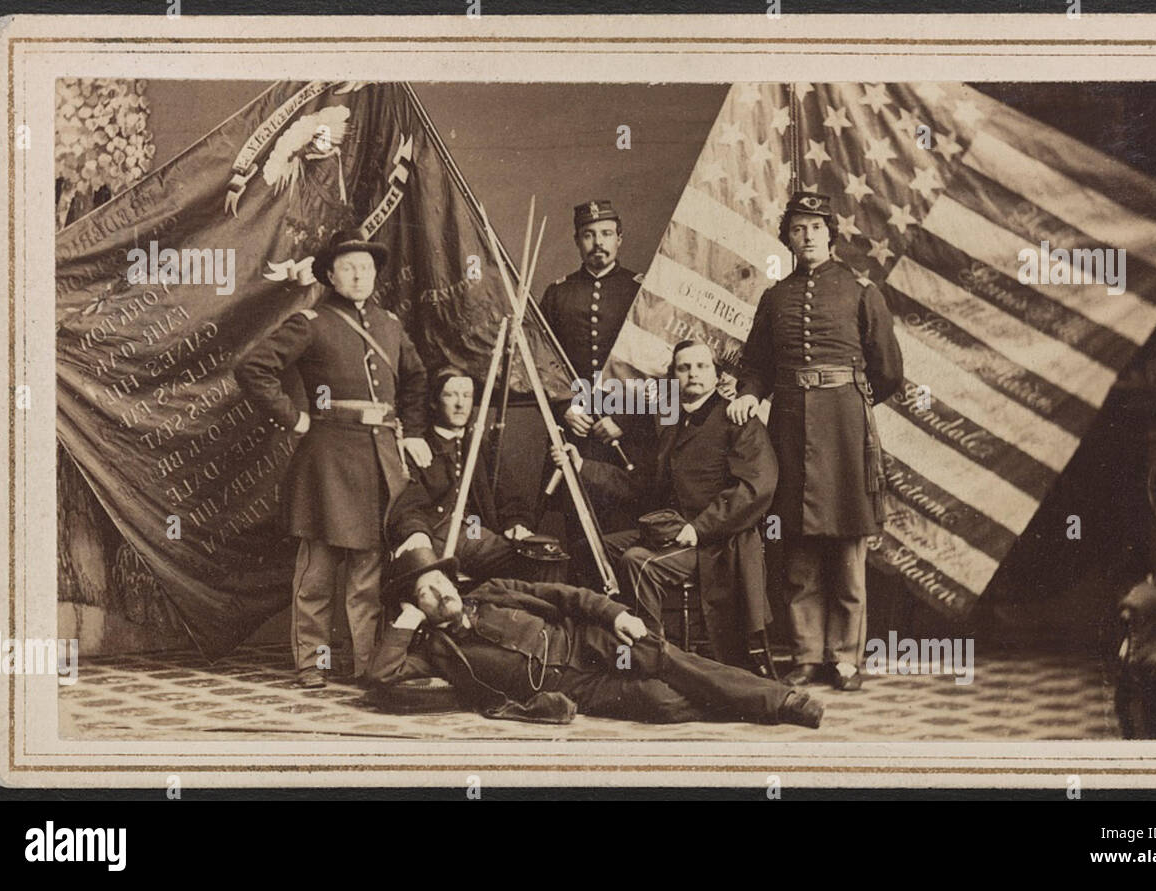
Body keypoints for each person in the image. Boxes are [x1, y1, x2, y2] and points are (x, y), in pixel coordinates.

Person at [235, 229, 430, 689]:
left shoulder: (390, 324)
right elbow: (253, 368)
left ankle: (365, 664)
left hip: (379, 458)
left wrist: (415, 433)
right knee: (318, 573)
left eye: (366, 266)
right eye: (348, 266)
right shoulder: (311, 322)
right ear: (330, 275)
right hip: (325, 459)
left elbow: (418, 380)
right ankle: (312, 665)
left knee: (367, 575)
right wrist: (294, 418)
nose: (360, 274)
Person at [727, 192, 903, 691]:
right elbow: (756, 366)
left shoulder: (861, 290)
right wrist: (747, 395)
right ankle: (806, 654)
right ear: (788, 236)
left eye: (815, 227)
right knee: (799, 544)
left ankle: (846, 658)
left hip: (845, 429)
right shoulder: (775, 297)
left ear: (831, 233)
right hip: (789, 426)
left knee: (847, 544)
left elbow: (888, 370)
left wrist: (850, 403)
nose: (807, 236)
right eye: (798, 228)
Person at [365, 538, 825, 728]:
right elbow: (382, 681)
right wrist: (406, 622)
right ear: (416, 606)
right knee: (662, 703)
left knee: (660, 658)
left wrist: (615, 616)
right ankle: (744, 705)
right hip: (574, 687)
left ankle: (780, 702)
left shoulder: (492, 592)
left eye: (439, 582)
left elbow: (564, 595)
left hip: (586, 638)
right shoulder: (437, 653)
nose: (439, 593)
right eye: (425, 593)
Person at [575, 339, 778, 676]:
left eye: (701, 367)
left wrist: (698, 529)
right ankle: (607, 651)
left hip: (718, 545)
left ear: (717, 375)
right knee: (591, 551)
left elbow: (756, 487)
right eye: (683, 368)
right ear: (673, 377)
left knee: (637, 562)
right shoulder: (671, 423)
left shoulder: (737, 419)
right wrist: (583, 466)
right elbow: (641, 485)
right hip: (671, 532)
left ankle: (654, 665)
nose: (692, 374)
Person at [538, 200, 653, 578]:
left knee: (628, 538)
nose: (597, 243)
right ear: (577, 241)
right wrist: (564, 409)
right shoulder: (557, 294)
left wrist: (625, 419)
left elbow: (666, 371)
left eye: (605, 234)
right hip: (578, 435)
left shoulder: (643, 292)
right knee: (578, 536)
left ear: (620, 239)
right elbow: (539, 362)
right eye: (588, 235)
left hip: (629, 440)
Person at [383, 365, 535, 583]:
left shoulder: (481, 447)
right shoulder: (418, 446)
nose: (460, 404)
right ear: (435, 402)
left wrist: (516, 524)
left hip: (474, 531)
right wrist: (416, 531)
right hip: (433, 532)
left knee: (540, 557)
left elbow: (511, 499)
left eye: (466, 395)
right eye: (451, 395)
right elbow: (407, 504)